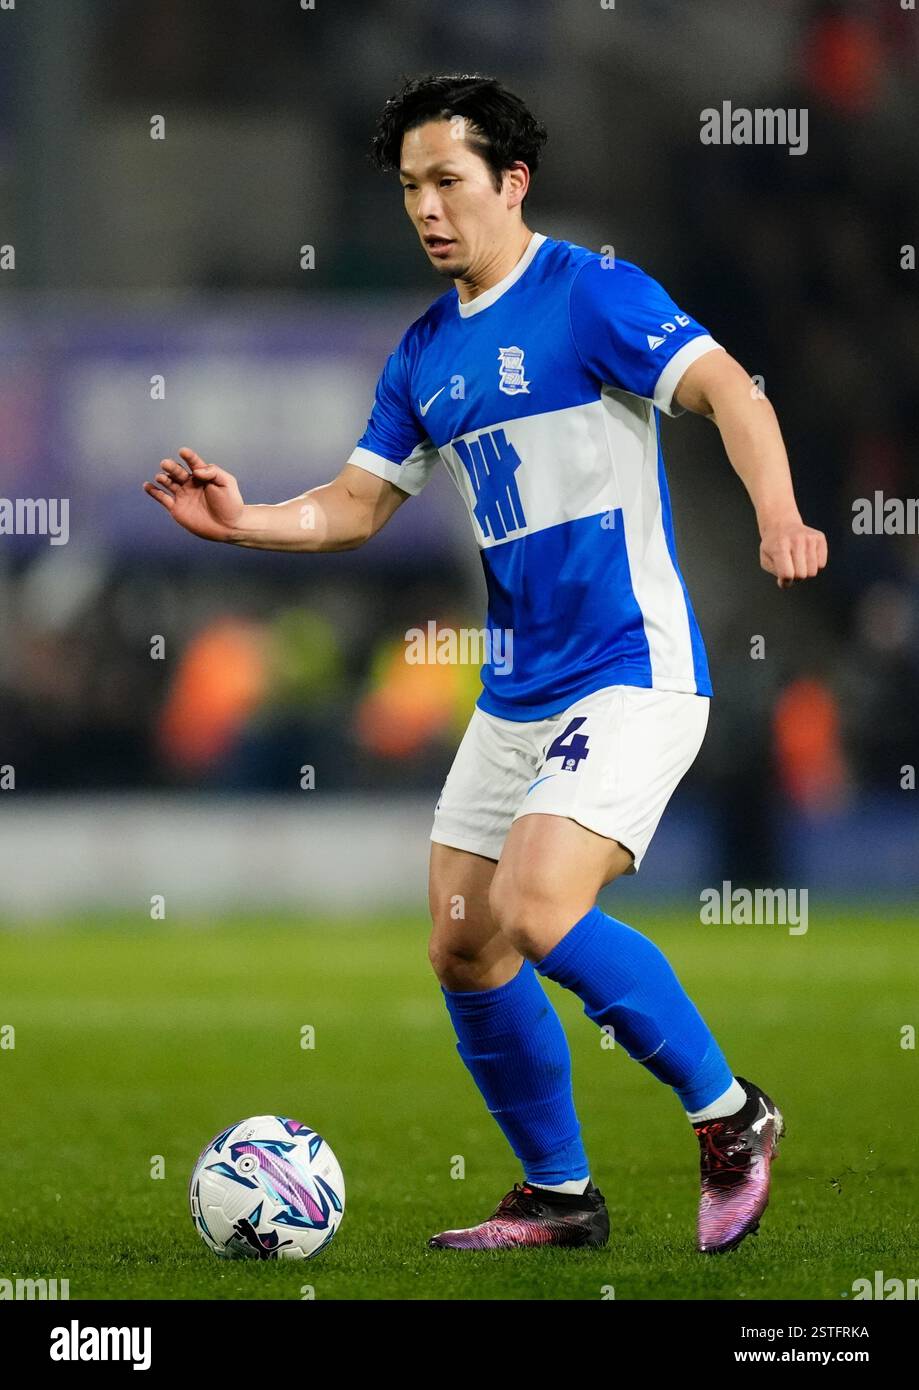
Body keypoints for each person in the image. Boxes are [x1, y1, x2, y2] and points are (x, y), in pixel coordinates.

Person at [143, 73, 827, 1254]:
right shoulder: (422, 354)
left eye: (448, 180)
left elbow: (723, 387)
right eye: (410, 187)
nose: (426, 207)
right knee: (464, 939)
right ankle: (560, 1196)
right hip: (519, 691)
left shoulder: (589, 293)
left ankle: (730, 1114)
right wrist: (245, 519)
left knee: (537, 904)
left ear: (513, 182)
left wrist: (777, 508)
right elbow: (357, 504)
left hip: (629, 667)